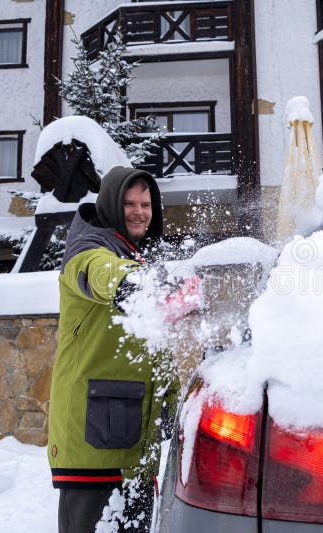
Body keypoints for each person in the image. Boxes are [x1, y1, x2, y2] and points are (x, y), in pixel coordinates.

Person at [47, 166, 196, 533]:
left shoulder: (137, 258)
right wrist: (139, 283)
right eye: (129, 203)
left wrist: (173, 405)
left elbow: (154, 350)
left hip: (133, 447)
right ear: (111, 206)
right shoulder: (88, 253)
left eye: (145, 204)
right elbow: (106, 275)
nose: (139, 212)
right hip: (93, 445)